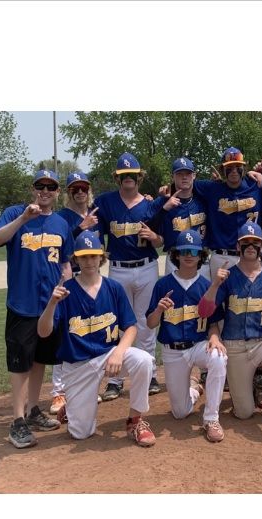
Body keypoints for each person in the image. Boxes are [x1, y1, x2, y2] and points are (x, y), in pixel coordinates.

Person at [37, 230, 156, 445]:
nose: (89, 261)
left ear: (102, 257)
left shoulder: (113, 288)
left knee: (144, 360)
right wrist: (51, 304)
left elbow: (130, 327)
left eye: (93, 255)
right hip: (78, 365)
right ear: (76, 259)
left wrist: (119, 352)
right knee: (81, 433)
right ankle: (72, 407)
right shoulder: (65, 292)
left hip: (109, 354)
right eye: (83, 256)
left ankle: (136, 420)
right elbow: (43, 332)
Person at [0, 169, 72, 448]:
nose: (45, 191)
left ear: (58, 192)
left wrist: (66, 283)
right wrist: (24, 218)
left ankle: (33, 409)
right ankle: (17, 421)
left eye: (51, 186)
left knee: (39, 360)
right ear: (33, 188)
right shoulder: (15, 212)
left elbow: (65, 261)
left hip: (49, 305)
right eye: (41, 185)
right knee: (20, 363)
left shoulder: (61, 223)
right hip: (22, 304)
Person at [198, 222, 262, 418]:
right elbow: (204, 312)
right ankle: (250, 386)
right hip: (235, 346)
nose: (251, 246)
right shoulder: (227, 277)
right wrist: (214, 285)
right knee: (244, 413)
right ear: (238, 246)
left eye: (256, 242)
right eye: (246, 242)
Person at [146, 229, 228, 443]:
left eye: (193, 251)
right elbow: (150, 323)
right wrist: (158, 311)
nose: (189, 255)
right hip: (172, 351)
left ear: (201, 255)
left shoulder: (205, 286)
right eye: (184, 251)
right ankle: (195, 390)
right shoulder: (162, 284)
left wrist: (214, 338)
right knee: (180, 413)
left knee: (219, 357)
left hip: (199, 345)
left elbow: (212, 323)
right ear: (176, 255)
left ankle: (211, 418)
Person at [94, 152, 165, 401]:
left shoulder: (149, 205)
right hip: (118, 268)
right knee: (118, 323)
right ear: (117, 178)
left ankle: (150, 374)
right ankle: (115, 379)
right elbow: (95, 232)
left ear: (139, 177)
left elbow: (160, 240)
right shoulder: (105, 202)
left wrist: (154, 238)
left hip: (146, 267)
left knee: (145, 323)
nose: (128, 178)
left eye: (132, 175)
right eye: (123, 175)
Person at [50, 171, 101, 415]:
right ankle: (59, 392)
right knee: (64, 332)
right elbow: (60, 244)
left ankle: (86, 384)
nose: (80, 192)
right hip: (69, 278)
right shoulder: (62, 217)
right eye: (74, 189)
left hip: (92, 279)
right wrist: (81, 228)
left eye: (83, 188)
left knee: (89, 328)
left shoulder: (96, 212)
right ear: (68, 193)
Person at [193, 146, 262, 278]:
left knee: (250, 298)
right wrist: (165, 193)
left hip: (250, 254)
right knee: (219, 297)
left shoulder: (255, 185)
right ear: (222, 169)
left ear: (244, 168)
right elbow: (185, 183)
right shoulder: (213, 188)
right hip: (221, 256)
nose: (234, 171)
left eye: (238, 166)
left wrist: (259, 173)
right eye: (229, 167)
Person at [150, 157, 210, 280]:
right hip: (175, 258)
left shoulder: (205, 200)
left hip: (200, 257)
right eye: (179, 174)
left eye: (188, 173)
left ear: (194, 176)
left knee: (203, 298)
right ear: (173, 176)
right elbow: (150, 227)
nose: (184, 177)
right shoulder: (163, 202)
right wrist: (164, 208)